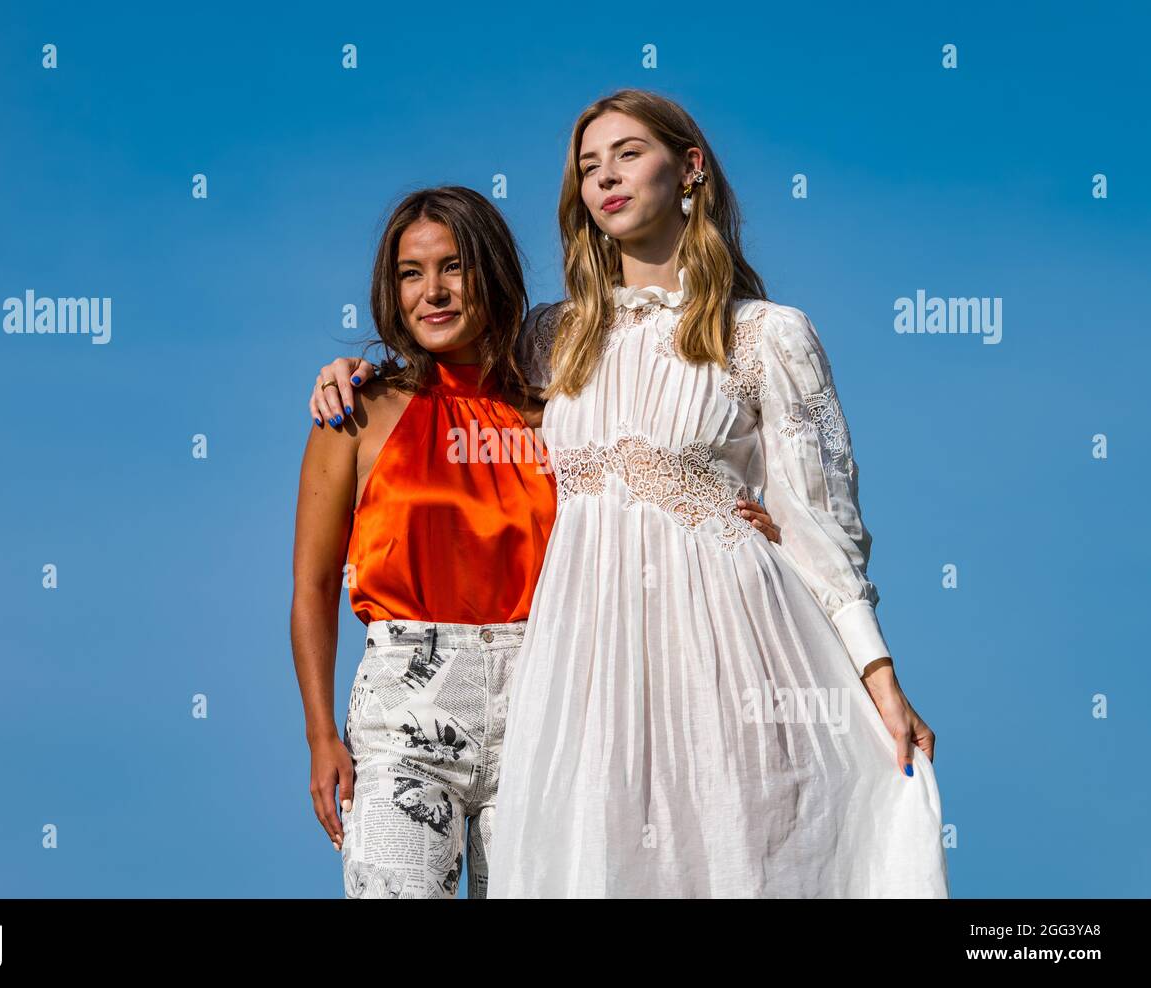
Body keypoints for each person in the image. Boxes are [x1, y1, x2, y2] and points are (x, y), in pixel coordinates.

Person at [306, 89, 949, 898]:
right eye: (587, 165)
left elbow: (825, 530)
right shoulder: (550, 338)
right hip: (581, 659)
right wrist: (357, 372)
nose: (605, 176)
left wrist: (877, 675)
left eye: (627, 153)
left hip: (723, 648)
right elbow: (446, 363)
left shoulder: (768, 334)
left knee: (728, 856)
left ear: (690, 168)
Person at [291, 183, 785, 898]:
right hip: (405, 708)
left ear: (491, 273)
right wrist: (319, 737)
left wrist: (733, 520)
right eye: (410, 272)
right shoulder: (357, 414)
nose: (432, 291)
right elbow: (311, 587)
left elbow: (643, 494)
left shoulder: (562, 413)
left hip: (549, 699)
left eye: (454, 267)